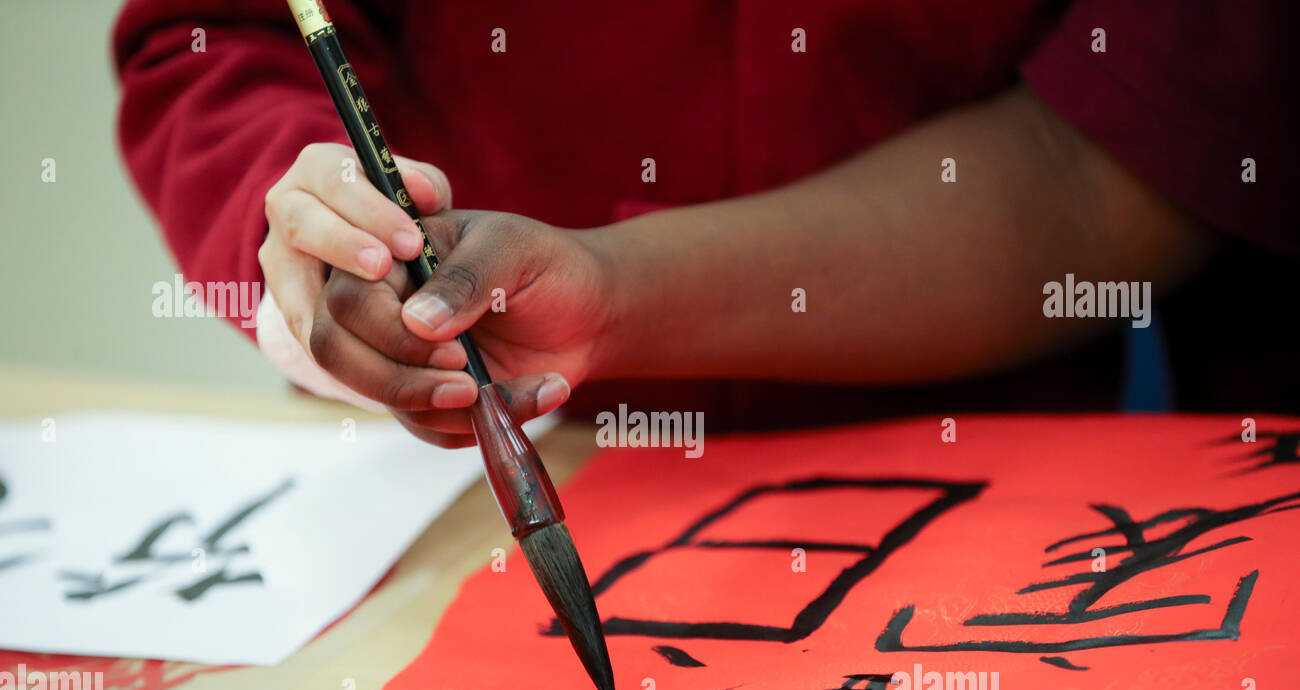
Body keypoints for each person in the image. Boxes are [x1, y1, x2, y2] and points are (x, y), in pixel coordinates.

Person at [113, 0, 1298, 447]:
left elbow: (1120, 150)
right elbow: (217, 34)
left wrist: (616, 290)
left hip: (978, 483)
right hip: (454, 485)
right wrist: (314, 239)